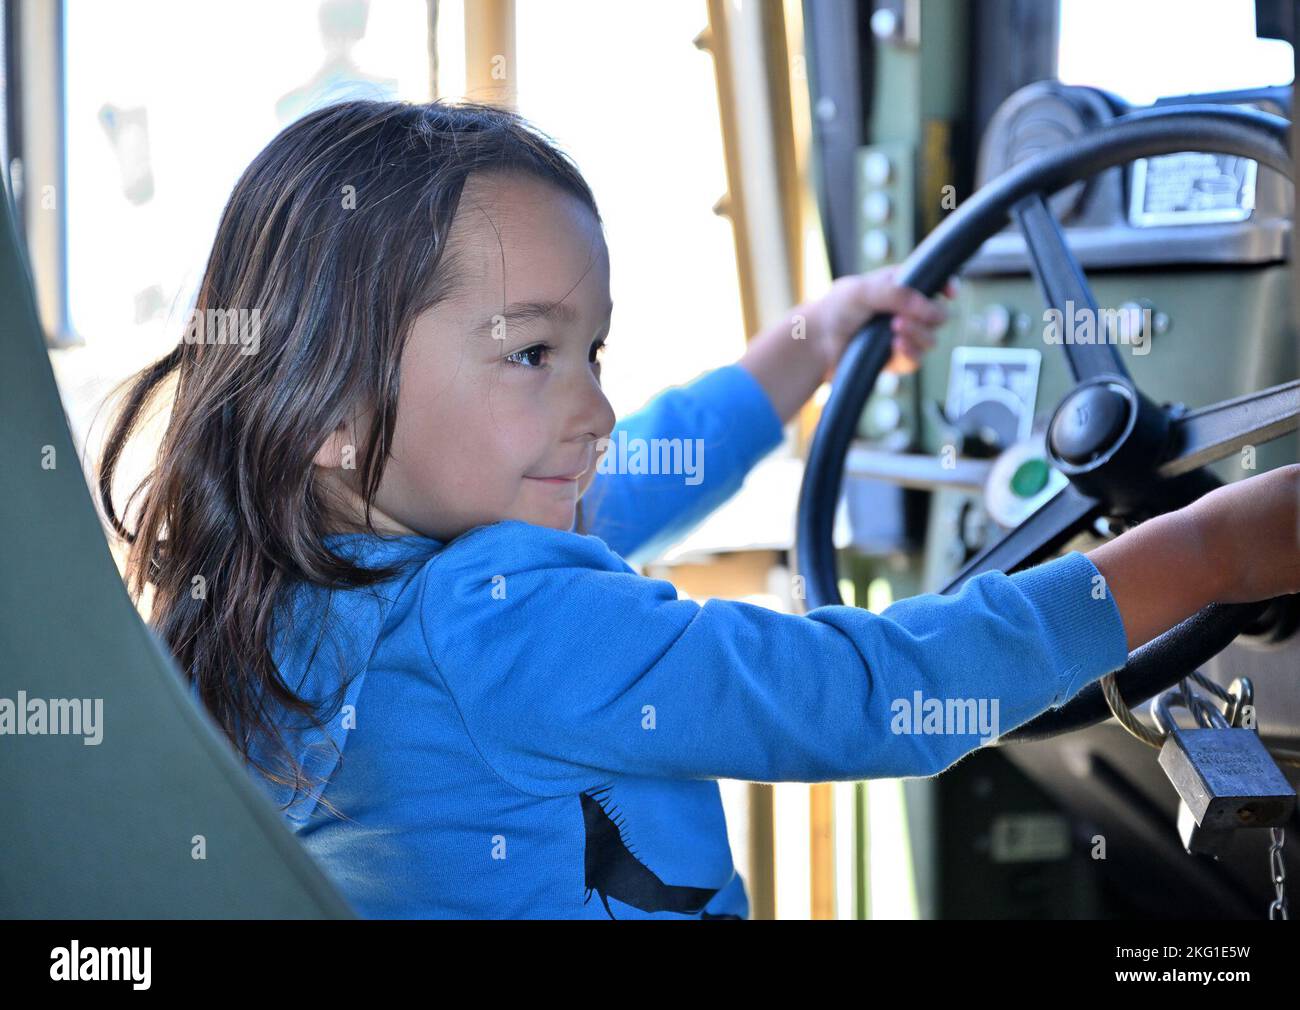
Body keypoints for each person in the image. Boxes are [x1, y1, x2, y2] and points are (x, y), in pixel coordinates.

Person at [98, 99, 1300, 919]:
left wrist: (806, 346)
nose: (596, 407)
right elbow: (875, 690)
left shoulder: (304, 580)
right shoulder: (502, 621)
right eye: (532, 354)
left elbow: (636, 473)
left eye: (596, 350)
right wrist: (1208, 548)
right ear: (337, 408)